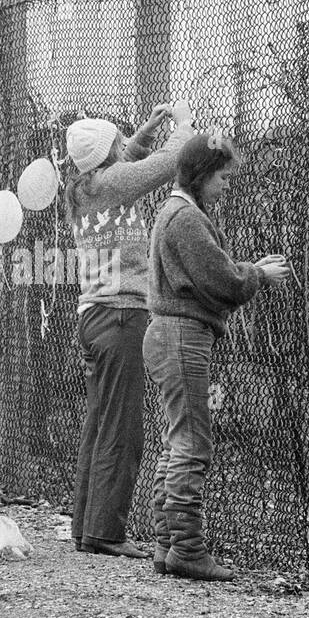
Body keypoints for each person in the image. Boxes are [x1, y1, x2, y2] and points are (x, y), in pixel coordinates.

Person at [143, 131, 290, 580]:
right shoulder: (185, 218)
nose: (227, 185)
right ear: (202, 174)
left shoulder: (176, 212)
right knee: (192, 444)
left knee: (177, 440)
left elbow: (212, 272)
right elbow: (221, 281)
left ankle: (168, 543)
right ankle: (187, 548)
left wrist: (247, 271)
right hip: (181, 335)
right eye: (222, 176)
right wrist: (258, 274)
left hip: (169, 334)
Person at [64, 102, 195, 558]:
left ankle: (87, 528)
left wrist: (142, 132)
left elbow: (129, 161)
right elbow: (165, 164)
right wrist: (182, 124)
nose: (126, 147)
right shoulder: (111, 184)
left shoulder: (84, 186)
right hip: (121, 316)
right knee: (123, 429)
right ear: (107, 155)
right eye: (119, 143)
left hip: (96, 317)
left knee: (100, 423)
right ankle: (106, 533)